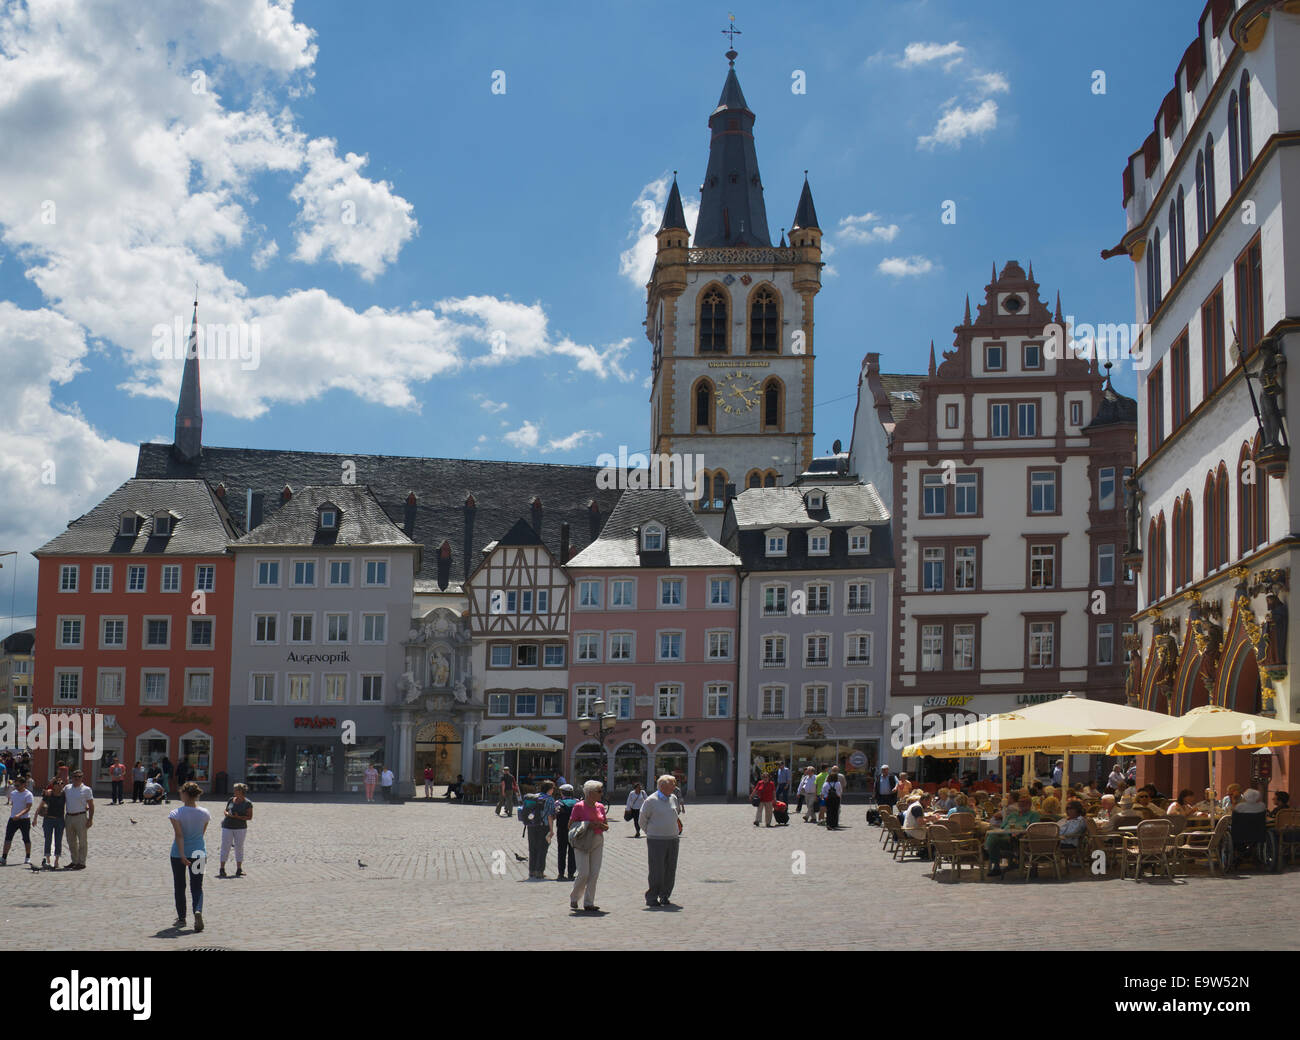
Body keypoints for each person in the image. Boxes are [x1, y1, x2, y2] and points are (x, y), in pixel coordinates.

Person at [169, 781, 211, 932]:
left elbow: (179, 835)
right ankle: (197, 910)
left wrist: (182, 855)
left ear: (185, 794)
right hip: (199, 852)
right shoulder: (205, 813)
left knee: (180, 886)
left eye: (181, 792)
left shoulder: (176, 813)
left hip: (177, 854)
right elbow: (201, 833)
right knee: (197, 886)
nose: (180, 794)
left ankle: (181, 917)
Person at [640, 774, 682, 907]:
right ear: (663, 786)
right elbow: (642, 819)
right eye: (672, 784)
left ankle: (665, 895)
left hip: (673, 838)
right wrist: (651, 831)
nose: (674, 786)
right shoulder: (651, 800)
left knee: (670, 869)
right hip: (656, 840)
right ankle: (652, 896)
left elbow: (676, 814)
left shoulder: (673, 798)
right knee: (657, 870)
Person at [568, 780, 608, 912]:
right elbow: (571, 825)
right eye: (599, 791)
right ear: (590, 793)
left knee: (594, 873)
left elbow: (606, 825)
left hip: (597, 840)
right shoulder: (579, 806)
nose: (601, 794)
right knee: (584, 872)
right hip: (582, 841)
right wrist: (588, 824)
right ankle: (574, 897)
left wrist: (602, 826)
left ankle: (589, 902)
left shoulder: (600, 806)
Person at [985, 792, 1040, 877]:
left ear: (1029, 804)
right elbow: (1003, 827)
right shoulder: (1012, 815)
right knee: (992, 837)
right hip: (1007, 837)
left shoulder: (1033, 815)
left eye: (1024, 802)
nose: (1021, 804)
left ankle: (1010, 862)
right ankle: (996, 866)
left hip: (1023, 839)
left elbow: (1034, 828)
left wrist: (1019, 831)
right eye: (1020, 802)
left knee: (994, 839)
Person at [219, 782, 253, 878]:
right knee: (225, 846)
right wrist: (226, 813)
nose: (234, 791)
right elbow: (226, 809)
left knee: (239, 847)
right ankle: (222, 868)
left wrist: (239, 817)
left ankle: (239, 868)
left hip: (240, 827)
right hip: (227, 825)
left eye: (236, 790)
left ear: (241, 792)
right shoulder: (231, 800)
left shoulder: (247, 803)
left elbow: (249, 817)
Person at [524, 780, 556, 879]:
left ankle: (532, 871)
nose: (553, 790)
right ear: (549, 789)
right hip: (544, 827)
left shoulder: (534, 796)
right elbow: (550, 816)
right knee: (543, 849)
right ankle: (539, 871)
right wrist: (551, 830)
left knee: (533, 848)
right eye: (553, 788)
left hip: (532, 825)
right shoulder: (550, 799)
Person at [63, 769, 93, 869]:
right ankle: (74, 861)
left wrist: (90, 819)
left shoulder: (86, 789)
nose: (77, 778)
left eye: (79, 777)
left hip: (81, 816)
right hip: (69, 817)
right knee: (71, 841)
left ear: (82, 778)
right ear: (72, 777)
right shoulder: (67, 788)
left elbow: (91, 805)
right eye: (75, 776)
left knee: (82, 841)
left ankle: (82, 862)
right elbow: (58, 793)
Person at [1, 775, 33, 866]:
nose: (16, 787)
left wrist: (19, 815)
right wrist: (14, 814)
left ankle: (28, 857)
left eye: (18, 785)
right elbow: (13, 804)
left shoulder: (28, 794)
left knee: (26, 838)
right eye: (15, 785)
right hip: (13, 819)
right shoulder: (13, 793)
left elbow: (28, 808)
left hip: (24, 819)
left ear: (24, 784)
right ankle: (4, 857)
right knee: (8, 838)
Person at [37, 776, 66, 869]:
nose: (60, 785)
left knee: (58, 840)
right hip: (48, 819)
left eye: (62, 783)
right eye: (58, 783)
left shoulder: (64, 795)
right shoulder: (49, 794)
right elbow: (41, 805)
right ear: (53, 786)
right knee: (48, 839)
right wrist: (35, 818)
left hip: (60, 820)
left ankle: (57, 861)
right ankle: (48, 860)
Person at [553, 783, 578, 881]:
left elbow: (554, 815)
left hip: (561, 829)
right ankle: (571, 874)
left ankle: (561, 874)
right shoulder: (577, 802)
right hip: (574, 829)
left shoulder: (558, 802)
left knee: (561, 851)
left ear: (562, 792)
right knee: (572, 851)